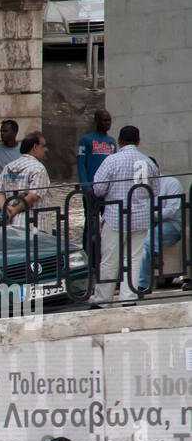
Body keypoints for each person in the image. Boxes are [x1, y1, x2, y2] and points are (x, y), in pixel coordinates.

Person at [89, 126, 159, 306]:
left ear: (119, 141)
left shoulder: (111, 161)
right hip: (140, 217)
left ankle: (103, 300)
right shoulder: (148, 162)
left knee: (110, 259)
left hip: (115, 216)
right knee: (134, 258)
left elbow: (98, 188)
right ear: (138, 141)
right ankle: (129, 297)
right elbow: (156, 190)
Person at [137, 163, 185, 291]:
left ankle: (142, 284)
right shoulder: (140, 187)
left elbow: (172, 210)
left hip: (171, 225)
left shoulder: (170, 182)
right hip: (148, 223)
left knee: (148, 240)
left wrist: (149, 214)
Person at [0, 131, 51, 231]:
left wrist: (6, 209)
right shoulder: (38, 168)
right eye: (44, 146)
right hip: (34, 224)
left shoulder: (9, 166)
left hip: (11, 224)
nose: (46, 149)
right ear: (35, 147)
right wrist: (14, 211)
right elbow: (33, 196)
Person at [77, 109, 117, 195]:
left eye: (109, 120)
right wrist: (86, 187)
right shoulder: (85, 140)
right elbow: (81, 165)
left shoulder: (112, 141)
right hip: (91, 189)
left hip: (108, 191)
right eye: (104, 120)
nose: (107, 123)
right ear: (97, 121)